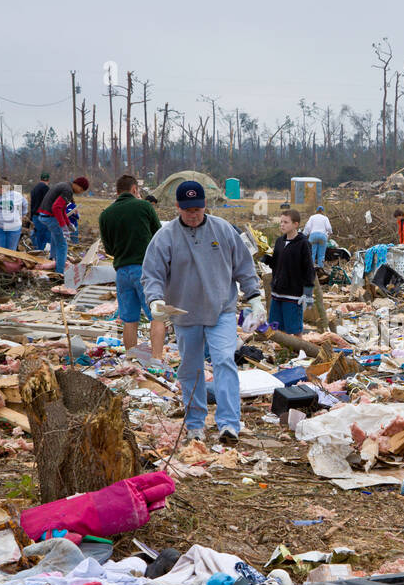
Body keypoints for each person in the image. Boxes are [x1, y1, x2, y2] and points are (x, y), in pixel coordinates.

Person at [142, 179, 265, 444]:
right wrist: (154, 300)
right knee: (190, 368)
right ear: (177, 207)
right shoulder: (165, 236)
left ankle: (229, 424)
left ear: (205, 205)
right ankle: (196, 424)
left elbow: (244, 266)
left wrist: (254, 298)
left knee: (224, 362)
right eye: (188, 210)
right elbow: (152, 273)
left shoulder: (223, 231)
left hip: (221, 310)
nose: (193, 214)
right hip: (185, 314)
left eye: (197, 209)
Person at [98, 173, 165, 359]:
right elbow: (159, 236)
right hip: (145, 269)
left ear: (117, 192)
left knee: (129, 319)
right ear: (135, 189)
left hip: (121, 272)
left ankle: (131, 360)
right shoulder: (143, 206)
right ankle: (157, 359)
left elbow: (109, 248)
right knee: (157, 315)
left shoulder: (105, 215)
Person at [263, 207, 315, 337]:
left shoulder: (303, 244)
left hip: (293, 295)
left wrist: (308, 292)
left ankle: (299, 353)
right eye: (281, 222)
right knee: (276, 328)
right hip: (277, 293)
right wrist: (266, 259)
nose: (282, 224)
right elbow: (276, 264)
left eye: (286, 222)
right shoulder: (280, 241)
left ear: (295, 224)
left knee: (295, 329)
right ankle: (281, 354)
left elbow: (309, 269)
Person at [36, 175, 89, 274]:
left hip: (43, 214)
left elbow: (62, 209)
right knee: (63, 245)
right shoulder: (68, 191)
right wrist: (63, 227)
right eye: (81, 190)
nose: (80, 193)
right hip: (49, 216)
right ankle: (60, 272)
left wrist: (68, 224)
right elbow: (56, 208)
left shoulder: (64, 185)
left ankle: (52, 260)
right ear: (78, 185)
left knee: (55, 238)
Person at [0, 178, 27, 251]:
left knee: (11, 251)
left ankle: (10, 262)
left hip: (14, 227)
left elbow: (25, 204)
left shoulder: (16, 195)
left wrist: (22, 215)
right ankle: (1, 262)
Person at [29, 171, 51, 250]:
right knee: (45, 235)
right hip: (43, 215)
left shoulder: (34, 189)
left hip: (35, 215)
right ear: (48, 180)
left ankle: (38, 250)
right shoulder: (46, 188)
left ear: (40, 179)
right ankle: (44, 252)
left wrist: (31, 216)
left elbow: (31, 203)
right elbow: (49, 202)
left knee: (38, 234)